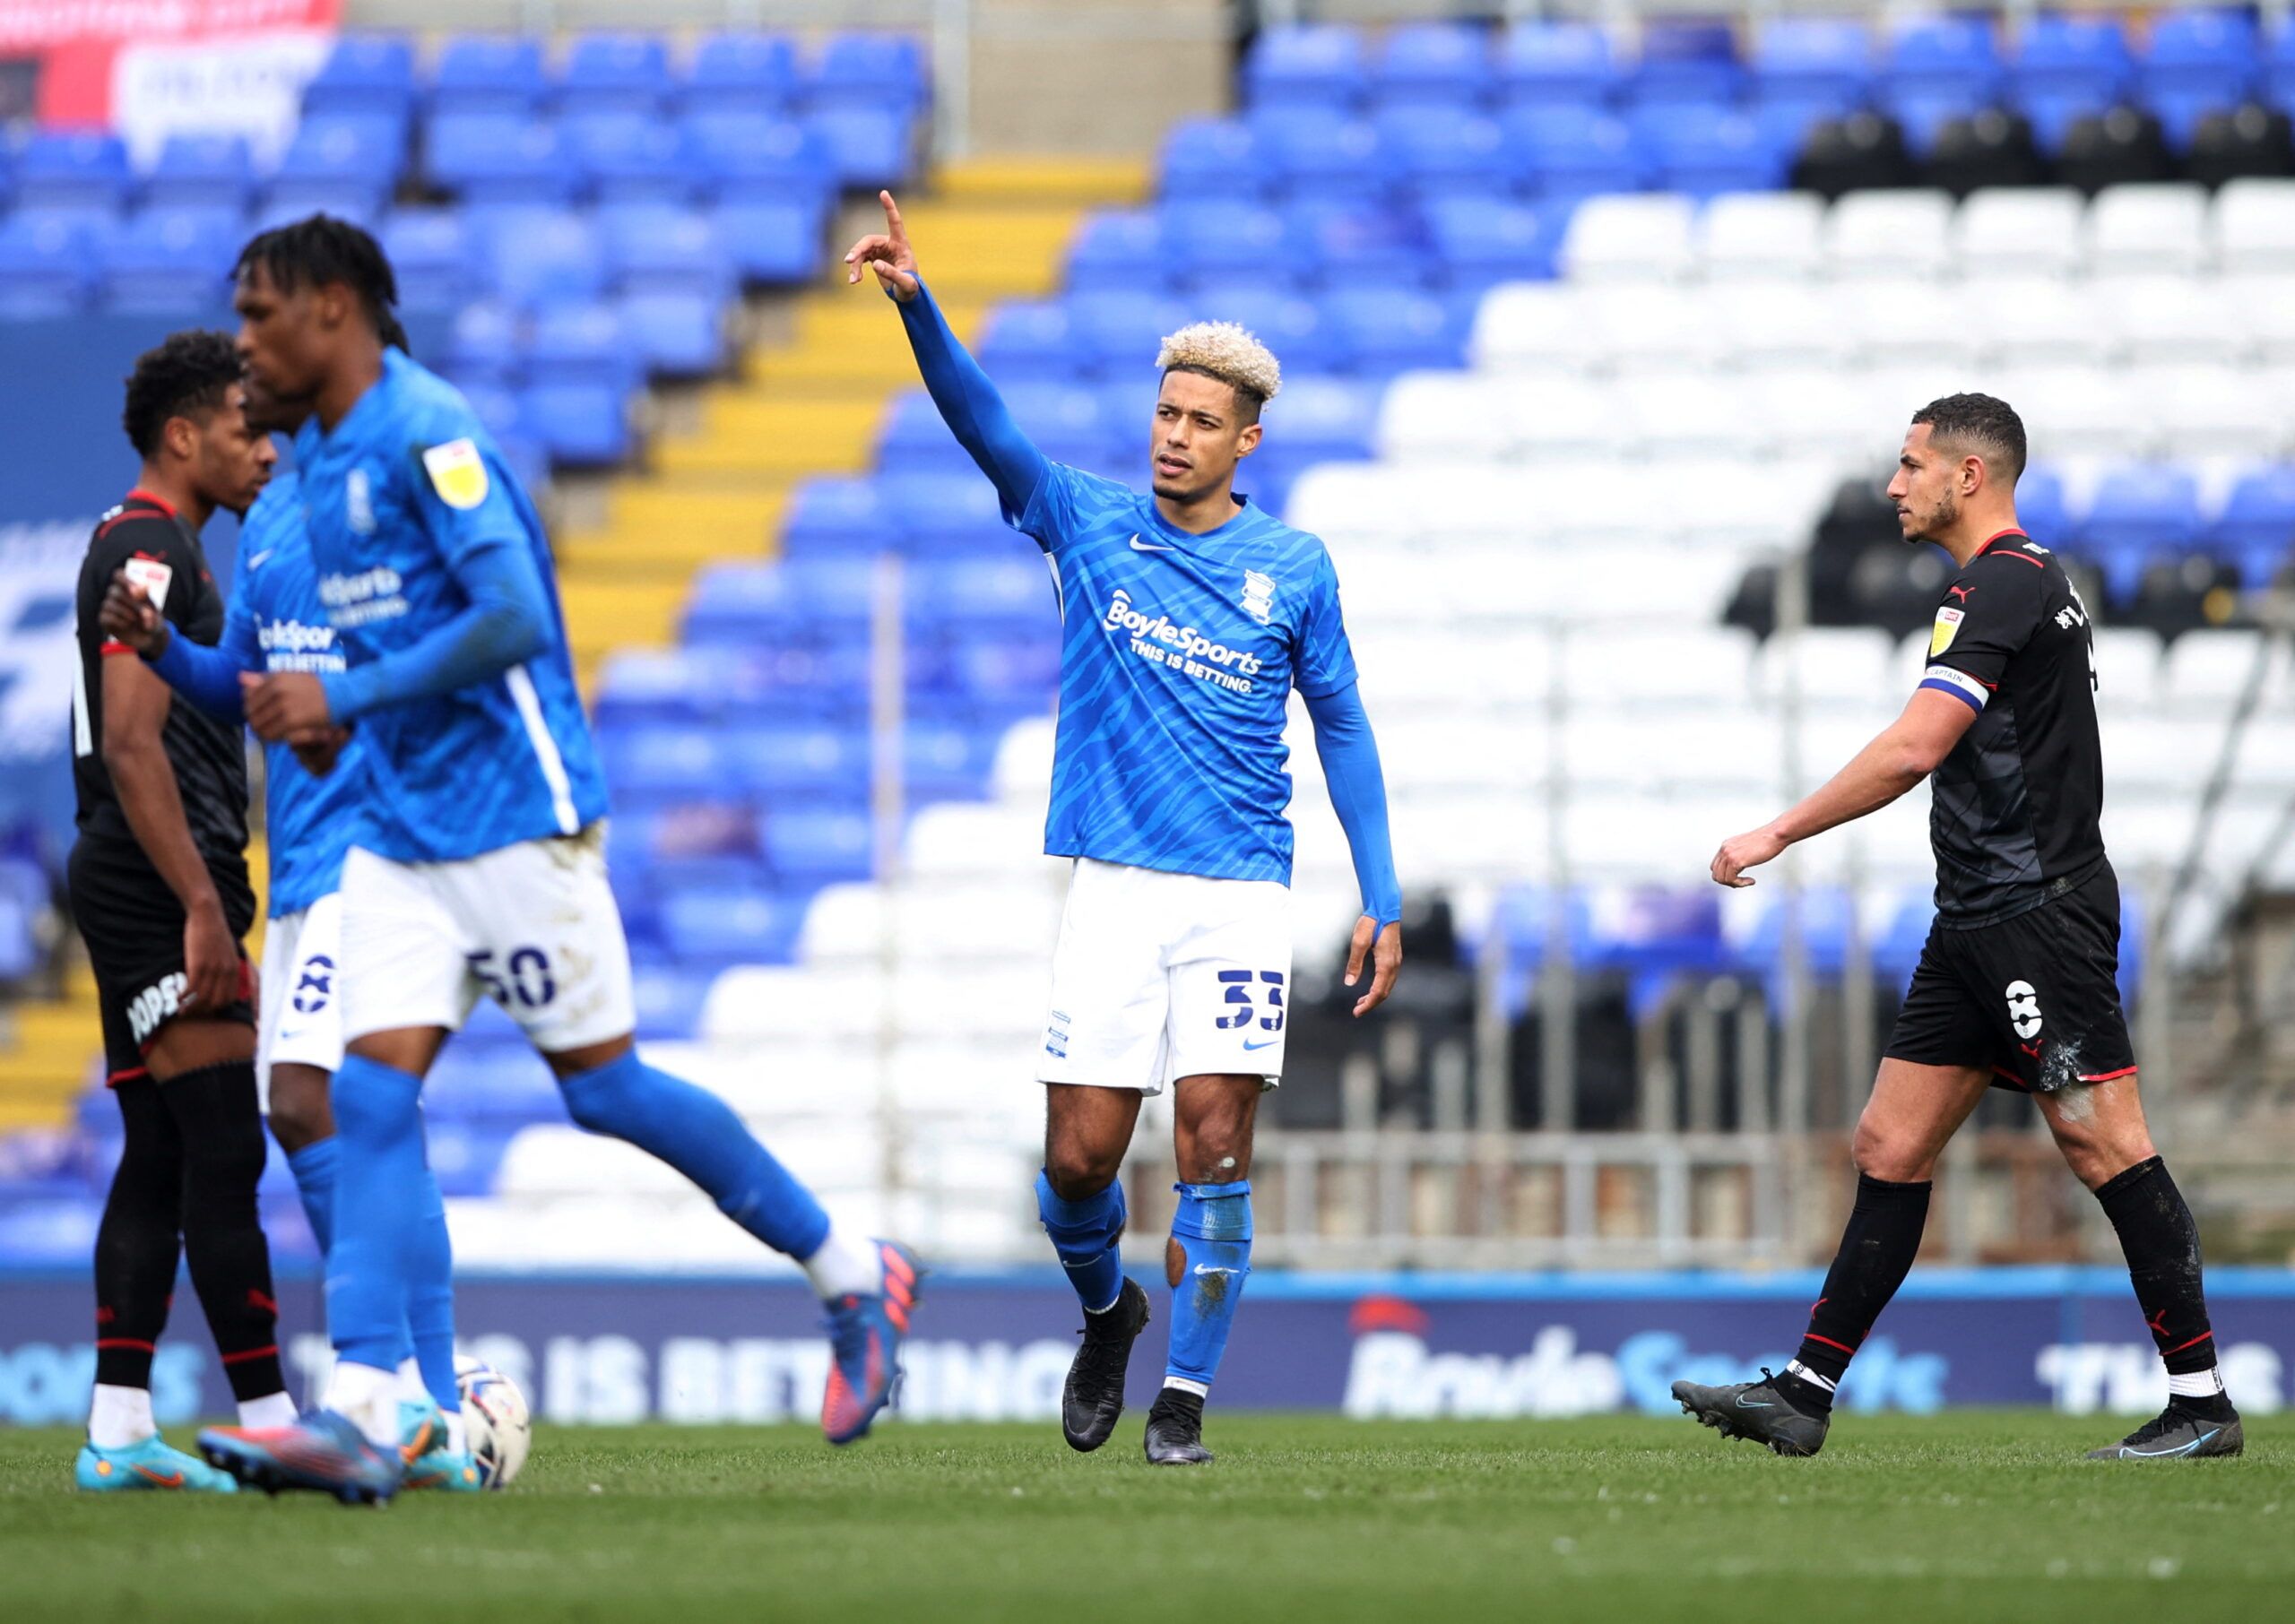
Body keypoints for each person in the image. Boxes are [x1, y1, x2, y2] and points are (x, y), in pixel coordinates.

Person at [192, 216, 919, 1504]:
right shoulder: (316, 470)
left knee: (606, 1092)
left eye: (261, 316)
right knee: (361, 1099)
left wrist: (345, 697)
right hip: (404, 839)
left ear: (335, 311)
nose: (244, 343)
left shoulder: (429, 434)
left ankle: (853, 1272)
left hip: (519, 821)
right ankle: (372, 1408)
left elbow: (519, 614)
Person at [844, 192, 1402, 1465]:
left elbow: (1346, 728)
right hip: (1111, 890)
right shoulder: (1086, 522)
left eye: (1205, 422)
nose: (1176, 437)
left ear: (1247, 440)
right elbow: (985, 427)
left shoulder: (1296, 570)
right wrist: (918, 306)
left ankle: (1186, 1405)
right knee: (1080, 1163)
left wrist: (1381, 892)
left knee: (1215, 1140)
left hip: (1240, 894)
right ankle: (1109, 1311)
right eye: (1167, 411)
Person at [1677, 393, 2239, 1461]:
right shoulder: (2017, 584)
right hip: (1974, 919)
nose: (1893, 485)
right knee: (1888, 1143)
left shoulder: (2003, 583)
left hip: (2035, 917)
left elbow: (1913, 748)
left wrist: (1776, 832)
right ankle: (1804, 1393)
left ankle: (2201, 1404)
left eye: (1908, 465)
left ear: (1966, 476)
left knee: (2104, 1140)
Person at [100, 343, 481, 1492]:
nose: (257, 435)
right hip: (306, 867)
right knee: (342, 1114)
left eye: (267, 412)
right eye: (242, 416)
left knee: (324, 1103)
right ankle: (425, 1408)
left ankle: (413, 1399)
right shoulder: (264, 536)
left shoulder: (384, 522)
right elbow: (239, 685)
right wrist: (171, 653)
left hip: (385, 851)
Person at [67, 330, 294, 1493]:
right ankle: (270, 1420)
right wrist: (201, 903)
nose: (266, 449)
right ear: (182, 434)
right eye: (244, 428)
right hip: (159, 877)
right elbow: (132, 734)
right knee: (222, 1139)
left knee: (159, 1151)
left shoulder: (156, 546)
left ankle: (116, 1428)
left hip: (143, 871)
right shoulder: (151, 548)